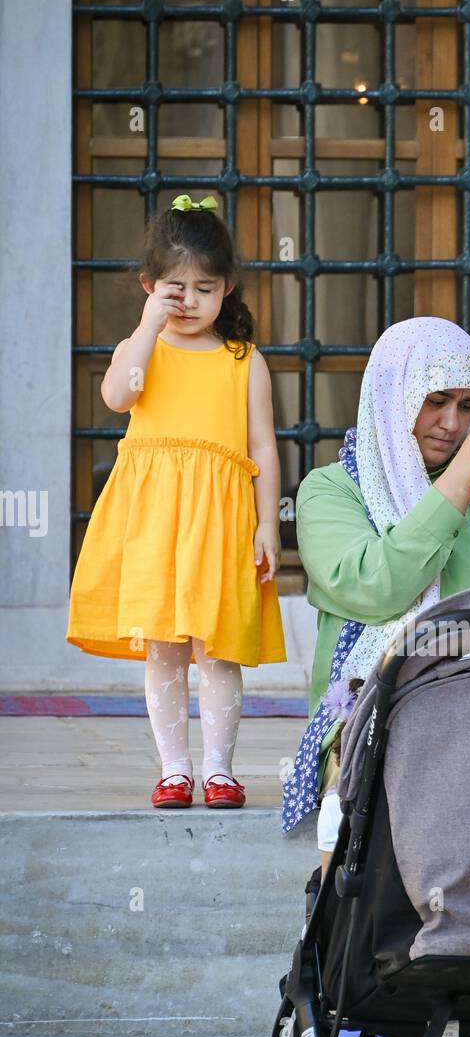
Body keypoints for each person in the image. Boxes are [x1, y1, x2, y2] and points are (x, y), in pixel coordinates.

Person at [282, 315, 470, 843]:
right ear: (393, 395)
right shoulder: (330, 491)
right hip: (381, 699)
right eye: (436, 400)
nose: (453, 422)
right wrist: (458, 481)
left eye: (468, 405)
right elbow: (374, 588)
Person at [67, 194, 286, 809]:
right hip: (157, 521)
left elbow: (264, 449)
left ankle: (219, 769)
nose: (187, 301)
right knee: (164, 646)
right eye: (173, 288)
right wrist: (145, 327)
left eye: (203, 288)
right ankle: (174, 769)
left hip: (219, 522)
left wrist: (268, 522)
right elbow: (115, 396)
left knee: (217, 647)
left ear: (227, 289)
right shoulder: (145, 349)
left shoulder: (245, 362)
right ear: (149, 286)